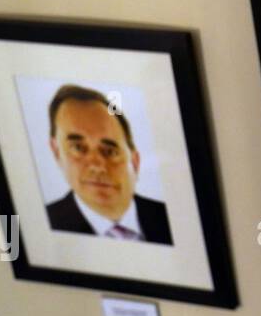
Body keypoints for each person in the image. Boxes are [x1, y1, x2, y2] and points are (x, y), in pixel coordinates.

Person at [45, 84, 173, 244]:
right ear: (56, 152)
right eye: (78, 148)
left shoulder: (174, 218)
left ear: (135, 162)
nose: (96, 166)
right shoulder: (36, 226)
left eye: (109, 151)